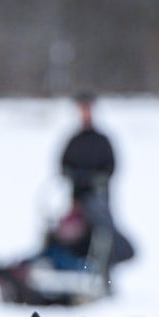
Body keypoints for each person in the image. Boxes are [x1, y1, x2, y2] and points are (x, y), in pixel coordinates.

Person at [54, 92, 134, 273]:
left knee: (103, 238)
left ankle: (105, 275)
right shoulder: (74, 140)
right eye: (82, 108)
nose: (85, 112)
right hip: (77, 201)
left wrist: (96, 180)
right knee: (72, 236)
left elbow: (111, 167)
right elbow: (63, 165)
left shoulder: (102, 141)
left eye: (88, 108)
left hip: (99, 201)